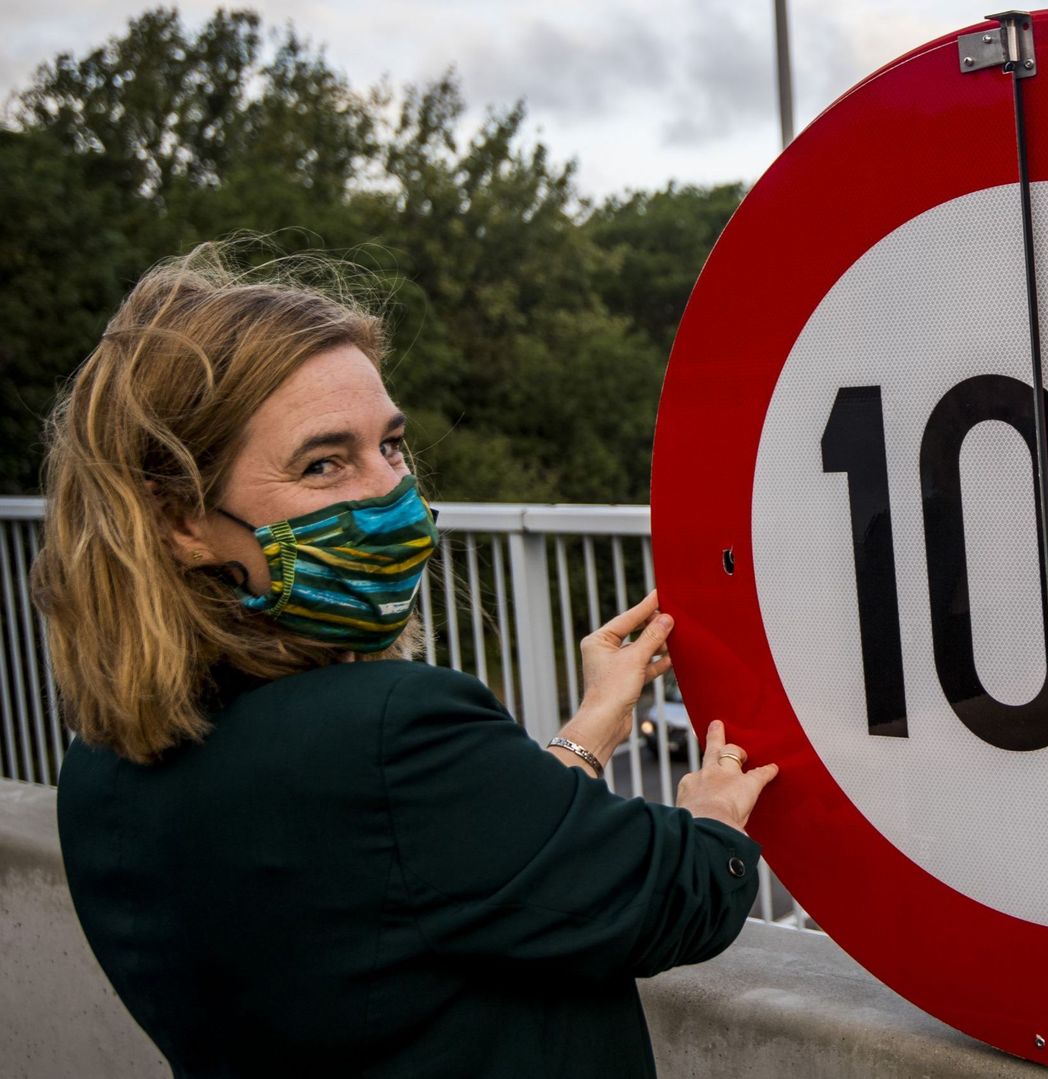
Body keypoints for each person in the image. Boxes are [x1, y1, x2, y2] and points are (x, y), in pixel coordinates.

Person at [33, 243, 779, 1077]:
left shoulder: (100, 772)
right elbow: (673, 897)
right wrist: (710, 819)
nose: (391, 493)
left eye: (391, 445)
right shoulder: (389, 728)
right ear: (181, 519)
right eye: (324, 462)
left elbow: (439, 869)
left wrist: (590, 728)